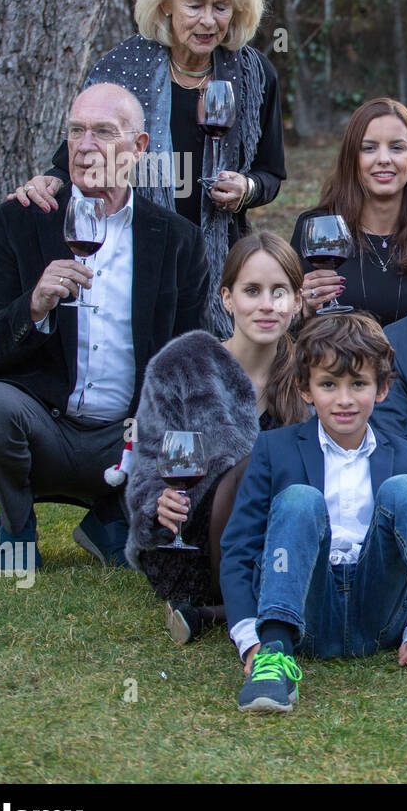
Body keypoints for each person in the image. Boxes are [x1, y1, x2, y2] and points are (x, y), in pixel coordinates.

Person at [0, 83, 208, 570]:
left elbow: (185, 358)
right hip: (42, 425)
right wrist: (33, 306)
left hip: (127, 438)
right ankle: (15, 521)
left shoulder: (178, 240)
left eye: (103, 132)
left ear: (138, 148)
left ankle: (112, 516)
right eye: (76, 131)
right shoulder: (17, 221)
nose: (86, 145)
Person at [218, 314, 407, 712]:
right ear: (305, 389)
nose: (344, 400)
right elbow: (240, 549)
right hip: (304, 610)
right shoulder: (274, 449)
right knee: (299, 498)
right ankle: (274, 656)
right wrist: (249, 635)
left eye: (358, 385)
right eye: (328, 384)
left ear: (381, 389)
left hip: (380, 611)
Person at [8, 0, 286, 337]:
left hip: (219, 256)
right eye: (195, 5)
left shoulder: (254, 75)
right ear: (166, 5)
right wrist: (50, 180)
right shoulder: (123, 68)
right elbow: (79, 156)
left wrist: (247, 187)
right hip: (129, 250)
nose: (208, 21)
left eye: (221, 7)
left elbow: (270, 174)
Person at [124, 232, 309, 645]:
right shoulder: (182, 364)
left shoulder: (310, 373)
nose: (266, 305)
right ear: (227, 299)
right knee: (255, 467)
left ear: (297, 302)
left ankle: (212, 616)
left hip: (284, 535)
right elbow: (147, 468)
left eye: (279, 292)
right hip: (192, 548)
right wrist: (158, 503)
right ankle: (243, 605)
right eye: (252, 291)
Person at [291, 97, 407, 328]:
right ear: (351, 159)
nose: (384, 159)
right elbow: (282, 327)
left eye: (397, 147)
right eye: (369, 148)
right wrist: (302, 308)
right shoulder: (316, 229)